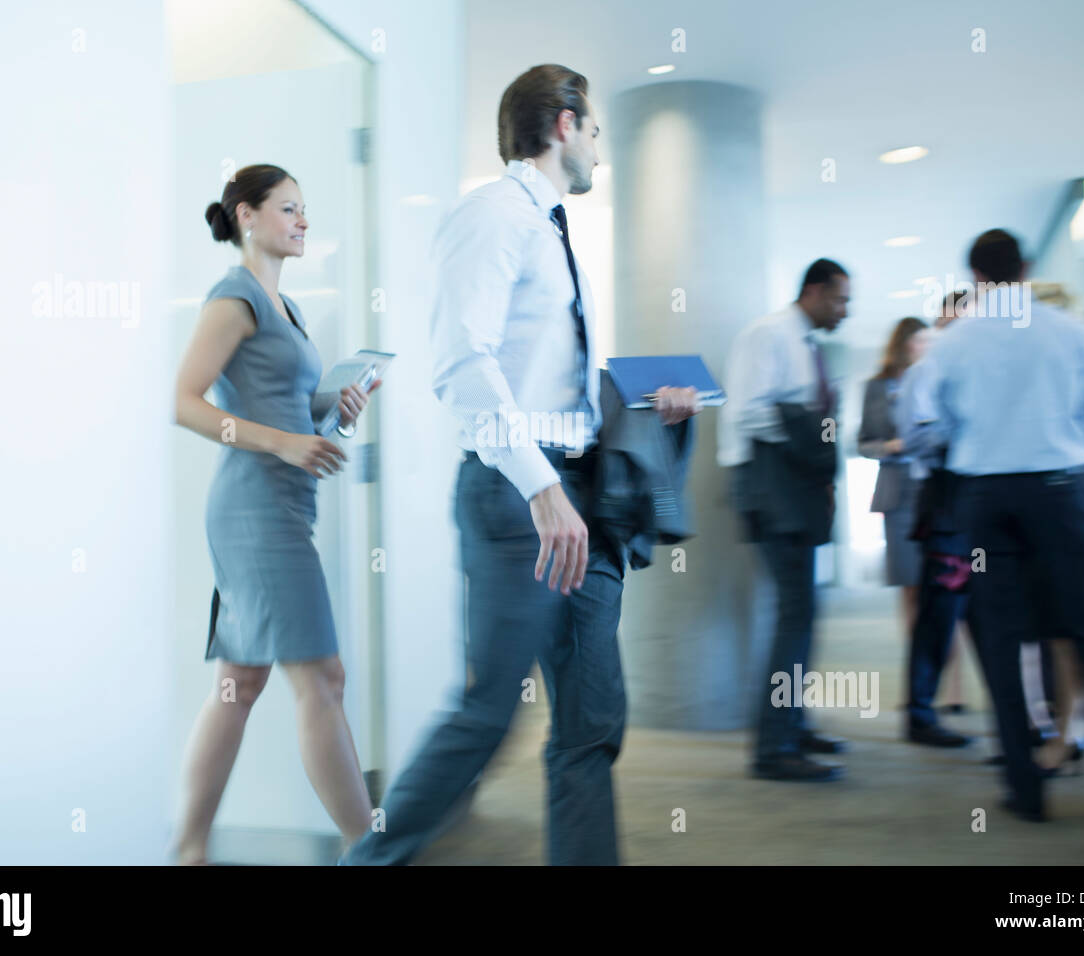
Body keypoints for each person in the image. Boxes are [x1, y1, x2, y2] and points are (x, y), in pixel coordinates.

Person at [341, 64, 698, 866]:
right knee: (487, 714)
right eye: (597, 131)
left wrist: (650, 404)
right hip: (517, 502)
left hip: (582, 493)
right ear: (565, 124)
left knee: (591, 719)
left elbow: (549, 374)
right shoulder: (493, 216)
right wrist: (540, 487)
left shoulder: (554, 229)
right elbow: (461, 363)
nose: (601, 151)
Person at [171, 164, 378, 864]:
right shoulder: (234, 298)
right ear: (246, 216)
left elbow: (286, 408)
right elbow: (185, 402)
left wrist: (333, 411)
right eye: (288, 208)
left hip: (281, 504)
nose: (302, 221)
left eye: (304, 209)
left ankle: (189, 848)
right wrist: (281, 441)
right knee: (323, 678)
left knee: (239, 682)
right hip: (254, 510)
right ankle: (368, 847)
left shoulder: (285, 309)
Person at [908, 229, 1084, 823]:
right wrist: (1066, 456)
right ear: (1027, 268)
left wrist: (969, 447)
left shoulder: (953, 341)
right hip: (1060, 491)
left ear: (975, 275)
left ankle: (1026, 789)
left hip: (985, 497)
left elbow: (926, 425)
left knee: (1001, 639)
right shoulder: (1068, 331)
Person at [719, 258, 850, 782]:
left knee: (802, 612)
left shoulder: (806, 344)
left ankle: (791, 724)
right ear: (814, 291)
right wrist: (810, 450)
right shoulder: (769, 334)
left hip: (793, 487)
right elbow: (747, 410)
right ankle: (774, 748)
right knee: (795, 613)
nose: (845, 310)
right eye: (840, 299)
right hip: (770, 485)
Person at [896, 292, 974, 748]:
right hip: (947, 499)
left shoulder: (982, 369)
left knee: (991, 615)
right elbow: (916, 438)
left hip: (985, 499)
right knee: (939, 614)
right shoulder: (925, 372)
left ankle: (1020, 720)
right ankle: (920, 715)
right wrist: (966, 431)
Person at [858, 317, 929, 634]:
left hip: (931, 485)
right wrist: (891, 446)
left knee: (941, 580)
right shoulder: (877, 387)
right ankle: (917, 654)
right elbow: (863, 444)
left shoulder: (935, 380)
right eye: (916, 341)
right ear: (902, 345)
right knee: (909, 580)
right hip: (897, 490)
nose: (923, 347)